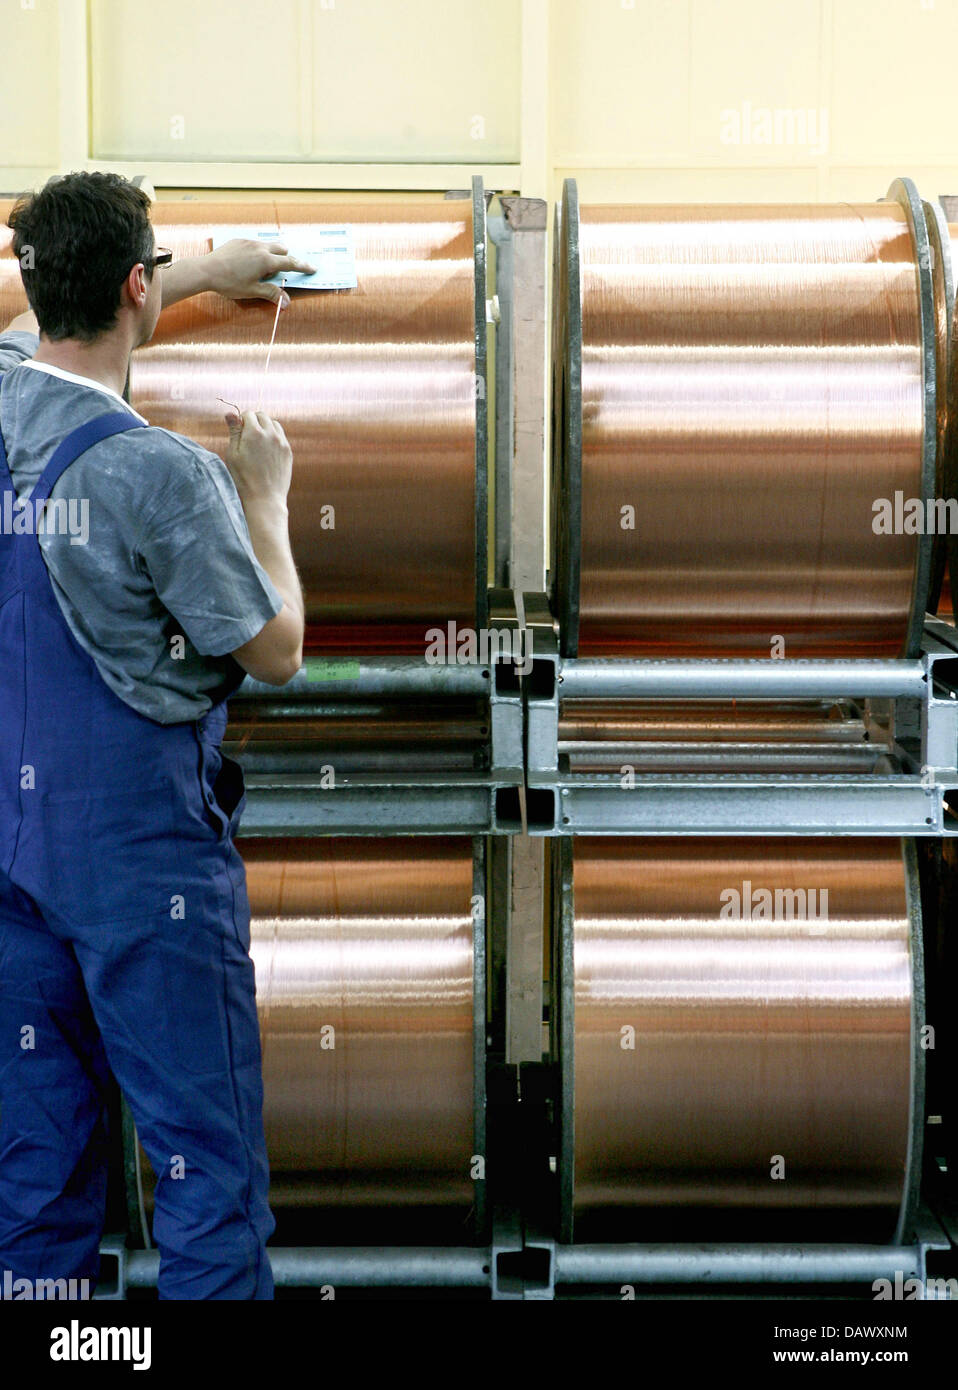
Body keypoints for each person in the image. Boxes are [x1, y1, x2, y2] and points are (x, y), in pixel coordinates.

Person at [0, 171, 309, 1299]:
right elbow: (276, 650)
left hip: (11, 862)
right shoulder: (166, 475)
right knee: (200, 1174)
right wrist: (265, 496)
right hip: (142, 873)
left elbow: (33, 314)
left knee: (32, 1184)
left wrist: (197, 269)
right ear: (141, 284)